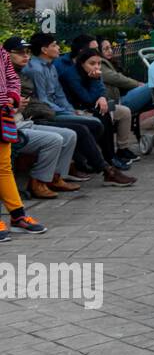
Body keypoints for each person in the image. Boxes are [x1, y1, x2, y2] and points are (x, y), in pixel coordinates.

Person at [21, 33, 135, 186]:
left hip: (73, 108)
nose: (58, 48)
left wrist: (71, 109)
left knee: (108, 115)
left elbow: (60, 94)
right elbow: (45, 100)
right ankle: (99, 164)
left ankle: (108, 156)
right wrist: (69, 110)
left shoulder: (52, 66)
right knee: (94, 122)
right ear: (44, 49)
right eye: (54, 45)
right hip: (50, 112)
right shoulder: (44, 70)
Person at [2, 38, 79, 199]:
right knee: (54, 140)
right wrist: (15, 105)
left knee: (70, 135)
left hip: (24, 121)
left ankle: (54, 177)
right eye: (20, 53)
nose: (26, 56)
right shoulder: (22, 73)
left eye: (27, 52)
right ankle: (38, 181)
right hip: (11, 127)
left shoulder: (20, 74)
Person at [60, 48, 138, 171]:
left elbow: (102, 90)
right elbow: (87, 98)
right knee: (103, 114)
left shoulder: (95, 73)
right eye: (92, 63)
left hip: (96, 105)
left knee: (124, 111)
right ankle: (109, 157)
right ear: (82, 63)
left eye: (99, 63)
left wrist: (102, 97)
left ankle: (122, 149)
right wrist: (94, 81)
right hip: (76, 109)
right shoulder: (71, 75)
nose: (96, 67)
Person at [0, 40, 48, 240]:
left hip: (2, 115)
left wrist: (12, 97)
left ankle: (18, 216)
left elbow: (11, 77)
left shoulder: (1, 53)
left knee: (3, 168)